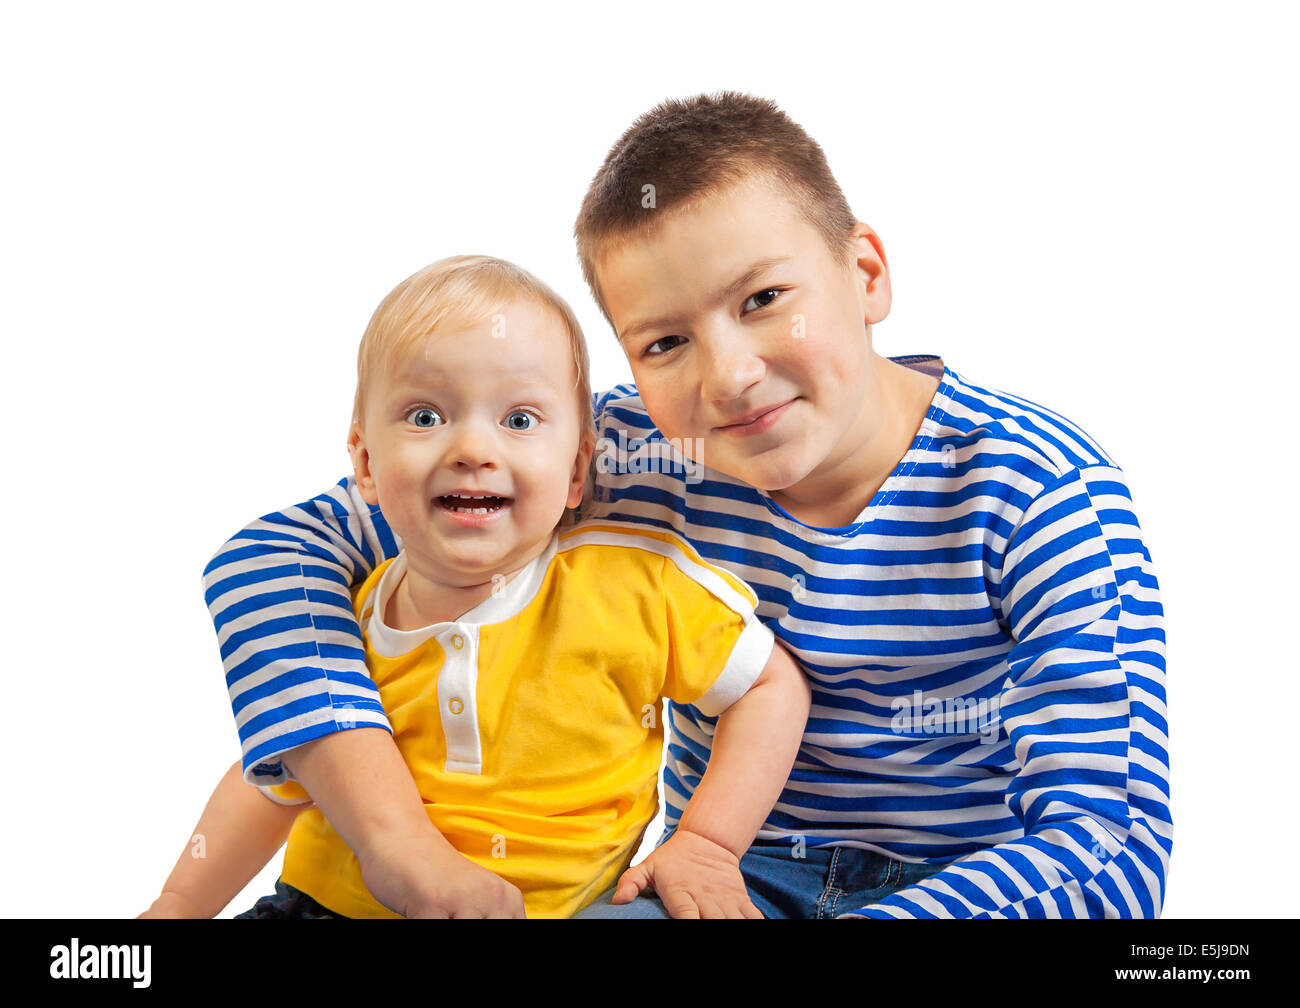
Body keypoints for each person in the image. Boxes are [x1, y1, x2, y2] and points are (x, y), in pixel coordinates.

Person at [195, 92, 1171, 919]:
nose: (731, 378)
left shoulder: (1044, 492)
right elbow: (276, 557)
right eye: (663, 343)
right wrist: (387, 830)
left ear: (865, 273)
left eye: (761, 299)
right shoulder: (627, 453)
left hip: (973, 890)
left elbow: (1108, 839)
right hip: (722, 882)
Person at [139, 255, 810, 919]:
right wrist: (177, 905)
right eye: (426, 417)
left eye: (519, 420)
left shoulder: (635, 587)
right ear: (366, 466)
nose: (472, 448)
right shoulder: (350, 618)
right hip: (317, 906)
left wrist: (708, 841)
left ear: (578, 472)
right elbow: (273, 780)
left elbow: (768, 687)